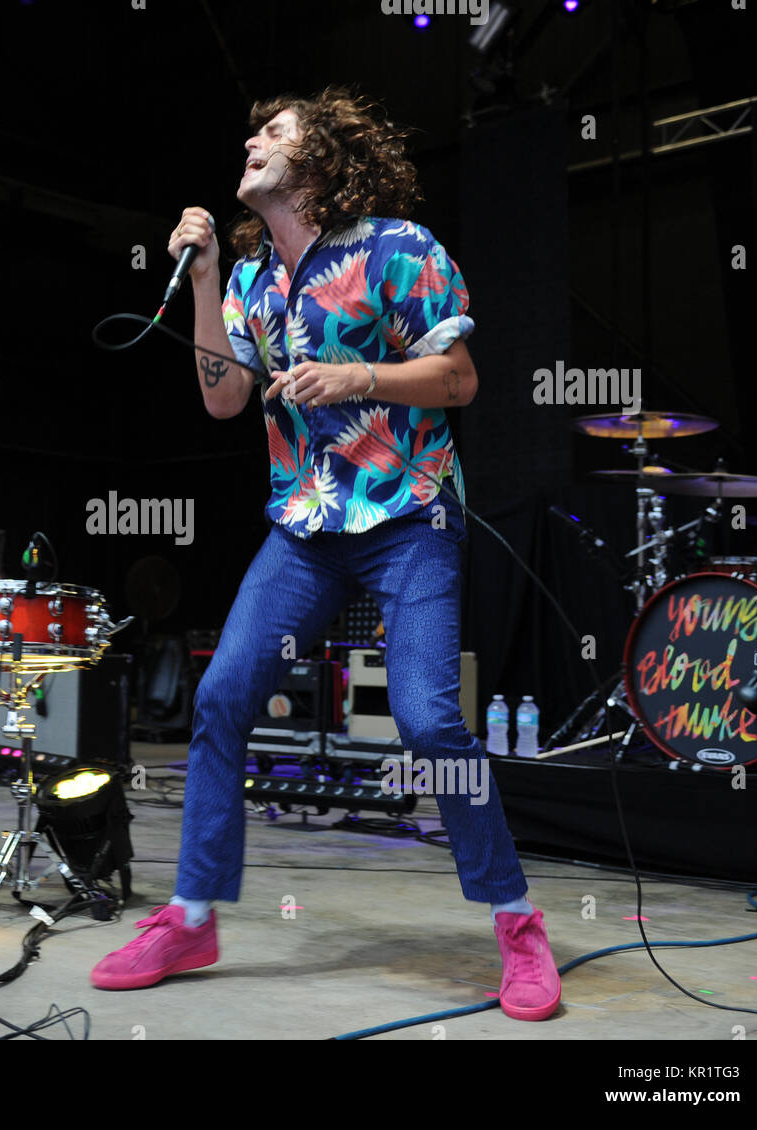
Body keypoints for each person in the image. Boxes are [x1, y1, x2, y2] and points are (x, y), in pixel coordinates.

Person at [89, 88, 561, 1021]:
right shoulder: (254, 280)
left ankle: (516, 921)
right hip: (305, 525)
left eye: (274, 131)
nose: (252, 140)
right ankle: (192, 914)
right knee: (221, 693)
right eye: (253, 130)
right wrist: (204, 275)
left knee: (429, 723)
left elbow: (459, 378)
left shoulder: (397, 248)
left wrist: (359, 375)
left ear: (321, 160)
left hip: (409, 513)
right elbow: (224, 400)